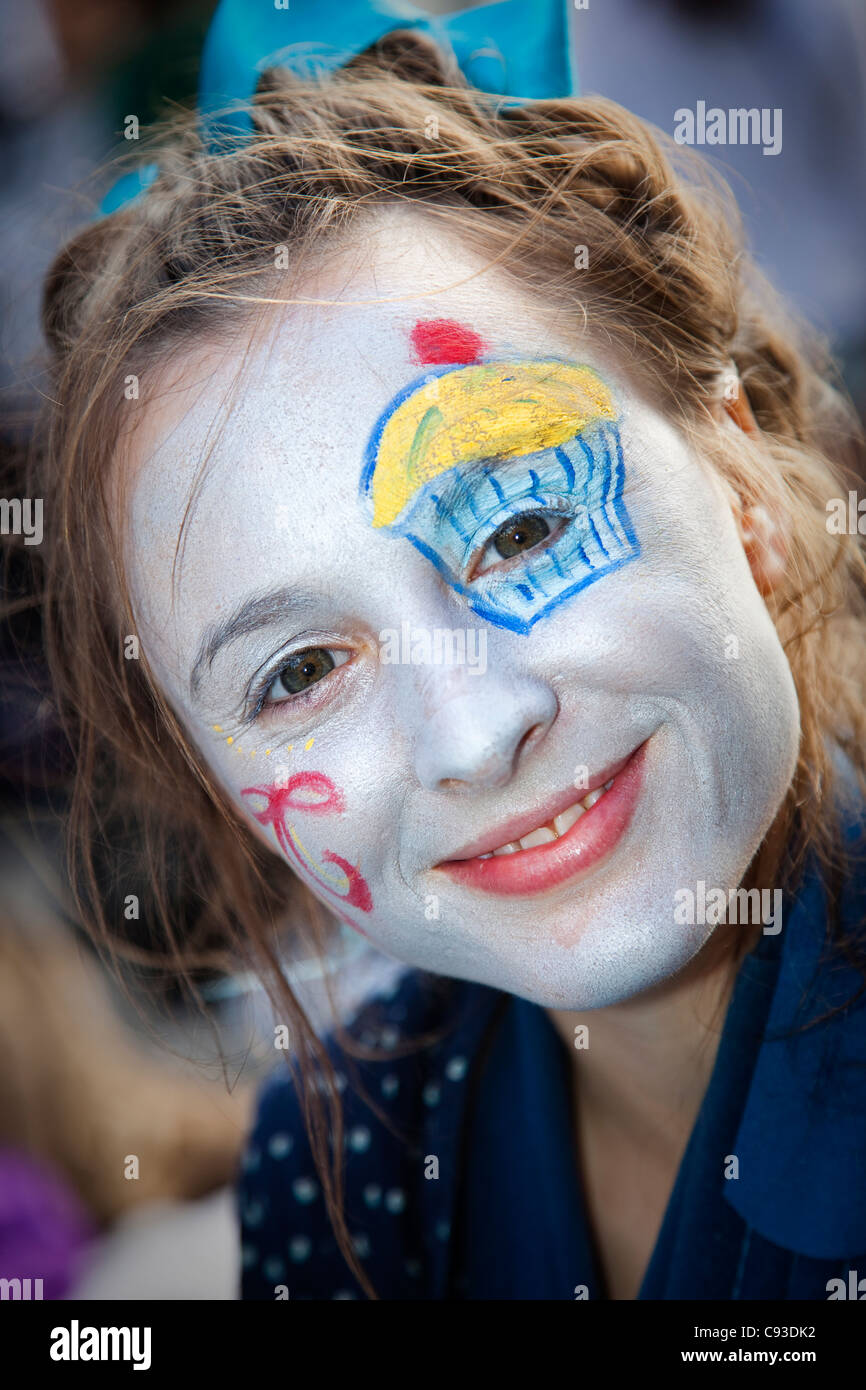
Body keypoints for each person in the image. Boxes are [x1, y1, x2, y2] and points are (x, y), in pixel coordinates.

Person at [31, 0, 866, 1299]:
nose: (476, 730)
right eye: (300, 671)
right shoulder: (335, 1184)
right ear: (217, 790)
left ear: (739, 477)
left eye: (522, 525)